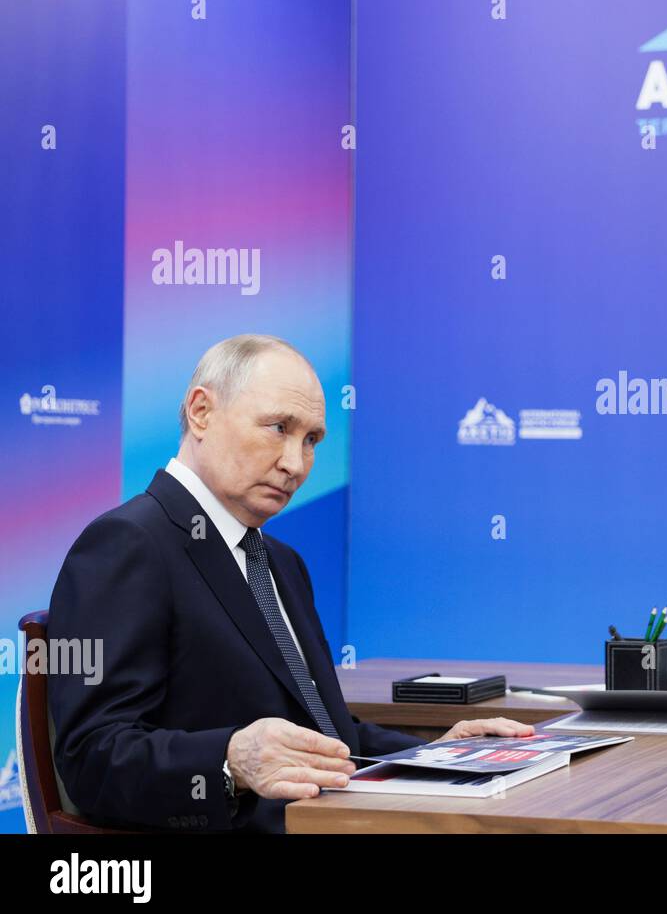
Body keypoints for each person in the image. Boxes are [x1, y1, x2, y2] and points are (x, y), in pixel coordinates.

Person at [47, 334, 533, 832]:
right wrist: (230, 760)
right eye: (278, 428)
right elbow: (92, 758)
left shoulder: (281, 561)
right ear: (200, 412)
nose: (295, 464)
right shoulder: (127, 543)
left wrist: (441, 753)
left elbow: (327, 736)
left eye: (311, 440)